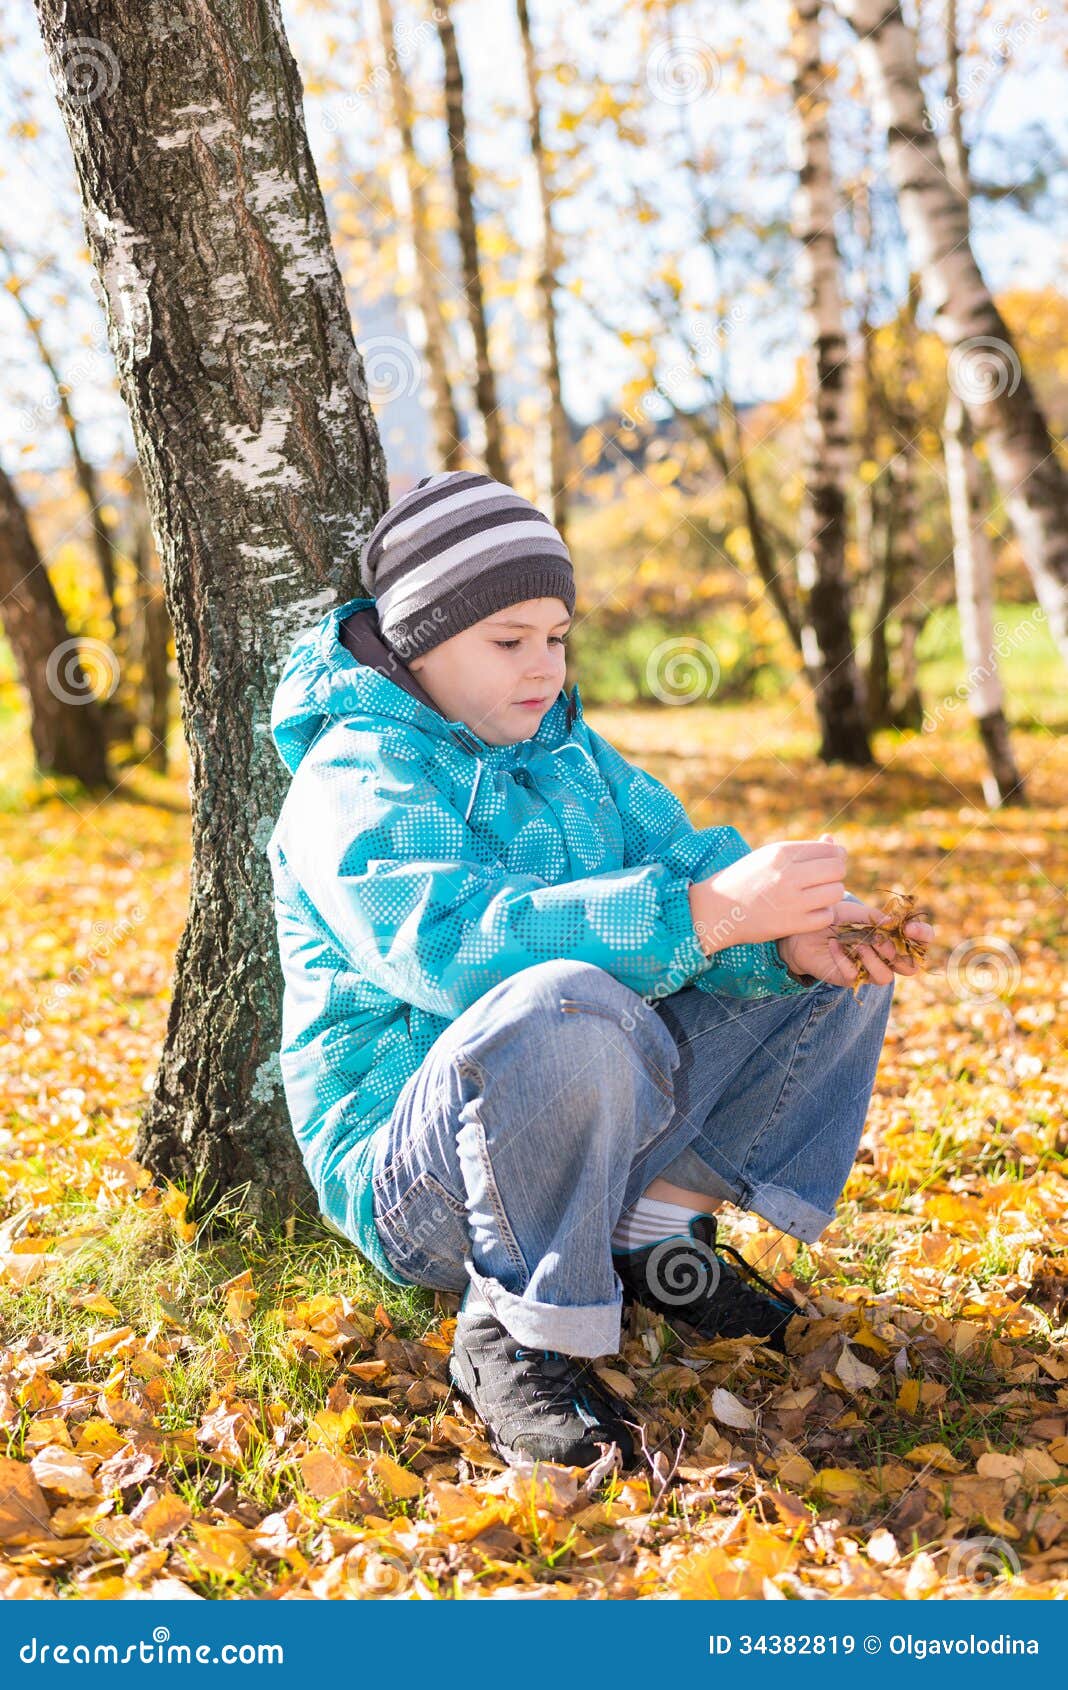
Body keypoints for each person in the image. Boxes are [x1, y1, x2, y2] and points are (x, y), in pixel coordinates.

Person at [267, 470, 933, 1472]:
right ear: (418, 640)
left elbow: (691, 867)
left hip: (580, 1115)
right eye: (508, 641)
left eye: (556, 636)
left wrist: (777, 935)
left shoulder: (572, 751)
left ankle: (653, 1239)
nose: (542, 667)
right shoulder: (357, 774)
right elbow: (455, 948)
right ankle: (515, 1332)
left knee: (818, 965)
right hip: (419, 1172)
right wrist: (701, 914)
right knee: (557, 1001)